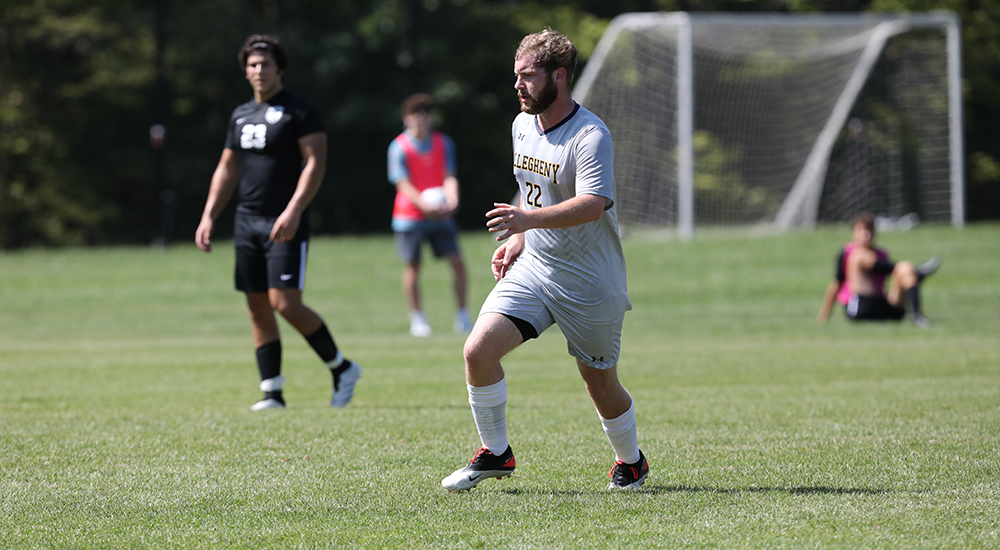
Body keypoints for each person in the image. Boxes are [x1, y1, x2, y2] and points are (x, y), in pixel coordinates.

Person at [441, 29, 648, 492]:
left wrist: (528, 220)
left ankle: (631, 461)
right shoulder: (520, 124)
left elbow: (593, 203)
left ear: (559, 76)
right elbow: (532, 184)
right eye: (516, 76)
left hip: (590, 282)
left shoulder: (590, 135)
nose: (518, 85)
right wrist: (520, 238)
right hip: (537, 268)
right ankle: (496, 453)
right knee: (477, 350)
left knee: (599, 380)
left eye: (528, 76)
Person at [195, 34, 361, 410]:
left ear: (279, 68)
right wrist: (208, 216)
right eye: (252, 65)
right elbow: (227, 168)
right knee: (257, 305)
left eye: (265, 64)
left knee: (285, 302)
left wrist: (294, 209)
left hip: (284, 221)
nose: (258, 71)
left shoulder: (300, 112)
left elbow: (315, 163)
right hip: (246, 221)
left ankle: (342, 367)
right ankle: (272, 391)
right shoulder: (240, 115)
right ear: (245, 71)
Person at [387, 93, 474, 337]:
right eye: (416, 114)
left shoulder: (442, 142)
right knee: (413, 266)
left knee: (458, 262)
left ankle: (463, 316)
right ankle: (418, 319)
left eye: (425, 113)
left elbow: (449, 176)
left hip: (441, 215)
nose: (421, 119)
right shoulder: (399, 147)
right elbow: (402, 183)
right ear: (407, 118)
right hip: (410, 217)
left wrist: (453, 200)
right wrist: (424, 205)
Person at [818, 212, 941, 328]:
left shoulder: (881, 253)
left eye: (870, 230)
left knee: (905, 270)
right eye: (862, 230)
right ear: (854, 232)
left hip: (882, 303)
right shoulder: (848, 252)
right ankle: (917, 272)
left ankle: (916, 316)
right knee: (859, 257)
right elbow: (836, 283)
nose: (866, 235)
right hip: (860, 305)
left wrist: (904, 271)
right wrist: (824, 316)